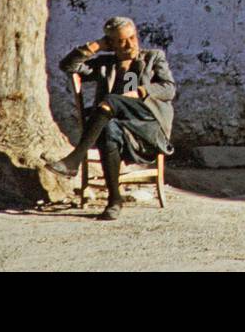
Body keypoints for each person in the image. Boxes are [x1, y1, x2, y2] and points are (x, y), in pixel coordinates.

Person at [47, 16, 176, 220]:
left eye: (132, 38)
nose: (129, 44)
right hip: (119, 125)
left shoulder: (153, 57)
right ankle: (114, 200)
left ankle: (74, 159)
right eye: (121, 41)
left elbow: (169, 89)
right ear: (111, 43)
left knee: (111, 100)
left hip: (146, 124)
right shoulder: (105, 64)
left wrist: (140, 91)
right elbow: (68, 66)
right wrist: (96, 46)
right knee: (108, 131)